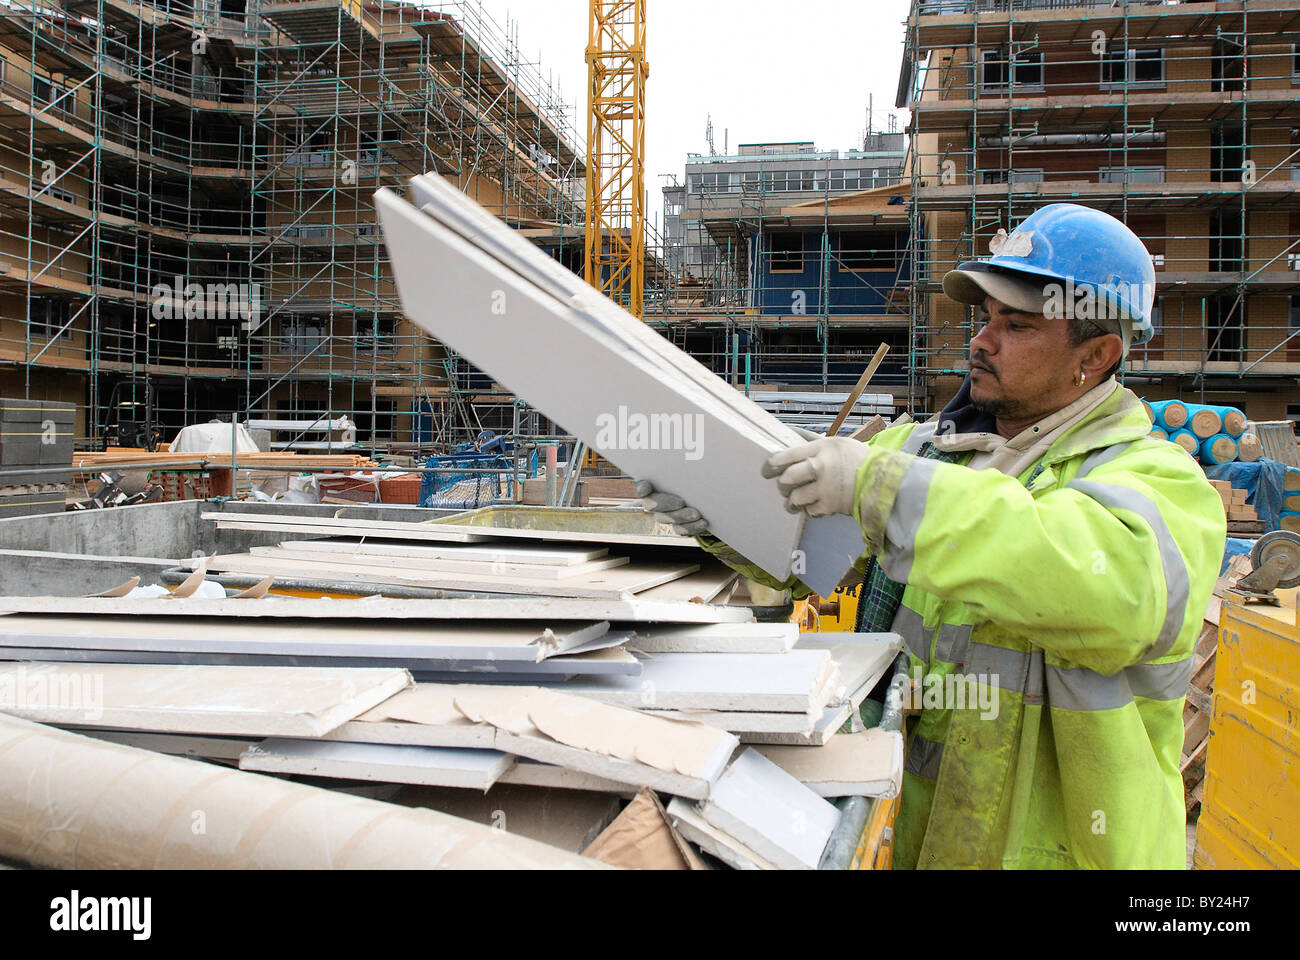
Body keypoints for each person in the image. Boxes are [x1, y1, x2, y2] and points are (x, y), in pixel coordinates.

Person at [637, 203, 1226, 869]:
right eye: (985, 319)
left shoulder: (1160, 483)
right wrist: (723, 513)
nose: (982, 340)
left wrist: (879, 487)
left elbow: (1099, 587)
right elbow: (813, 556)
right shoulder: (926, 455)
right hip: (915, 838)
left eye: (1016, 325)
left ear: (1093, 355)